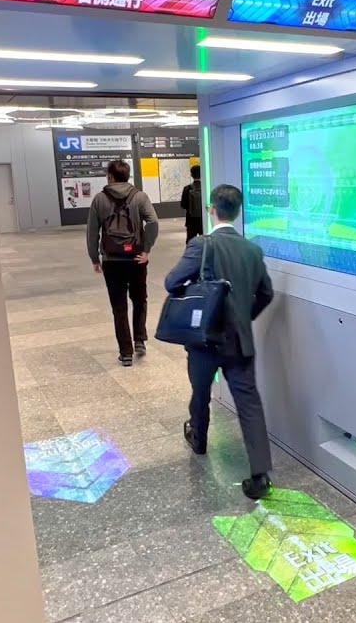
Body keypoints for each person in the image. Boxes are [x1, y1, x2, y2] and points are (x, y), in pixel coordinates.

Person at [165, 184, 275, 499]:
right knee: (249, 404)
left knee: (201, 392)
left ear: (212, 209)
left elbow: (171, 281)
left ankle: (198, 438)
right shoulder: (252, 250)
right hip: (239, 342)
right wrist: (243, 315)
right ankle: (260, 476)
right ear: (238, 212)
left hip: (204, 340)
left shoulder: (202, 245)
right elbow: (266, 293)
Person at [86, 159, 159, 367]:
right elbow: (153, 222)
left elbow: (92, 232)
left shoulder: (100, 199)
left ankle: (126, 353)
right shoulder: (140, 196)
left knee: (118, 307)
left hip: (111, 260)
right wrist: (146, 249)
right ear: (127, 176)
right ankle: (140, 340)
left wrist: (94, 257)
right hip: (136, 258)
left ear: (109, 177)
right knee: (139, 299)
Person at [179, 164, 204, 242]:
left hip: (191, 221)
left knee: (190, 242)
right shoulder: (205, 187)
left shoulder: (187, 188)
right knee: (204, 241)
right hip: (203, 220)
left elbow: (183, 205)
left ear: (191, 175)